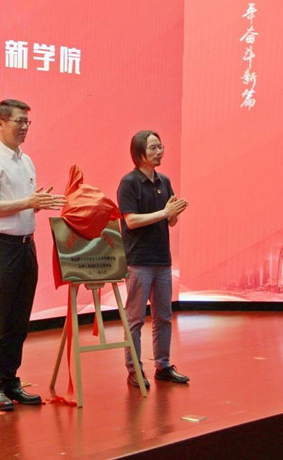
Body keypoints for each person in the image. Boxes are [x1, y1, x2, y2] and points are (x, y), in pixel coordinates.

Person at [0, 98, 65, 411]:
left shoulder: (26, 161)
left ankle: (11, 381)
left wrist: (37, 204)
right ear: (0, 123)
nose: (25, 127)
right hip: (0, 247)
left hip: (26, 245)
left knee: (19, 319)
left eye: (27, 122)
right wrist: (27, 202)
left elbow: (22, 204)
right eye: (19, 121)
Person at [117, 130, 189, 388]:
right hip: (138, 260)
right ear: (139, 153)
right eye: (153, 148)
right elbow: (131, 221)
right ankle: (134, 369)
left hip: (162, 259)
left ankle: (163, 365)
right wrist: (165, 212)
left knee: (164, 316)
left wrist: (174, 212)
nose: (160, 152)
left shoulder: (164, 181)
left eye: (161, 147)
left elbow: (170, 221)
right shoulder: (129, 182)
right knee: (135, 319)